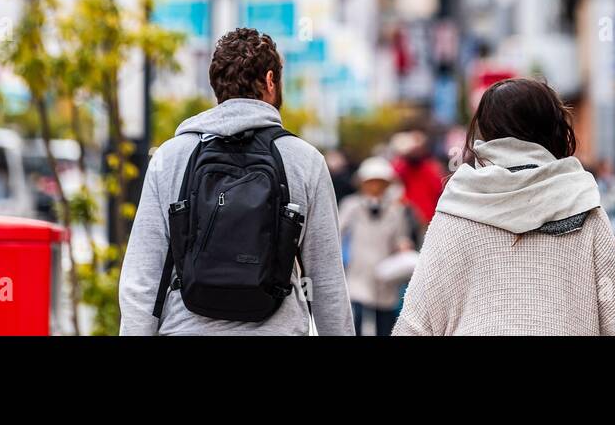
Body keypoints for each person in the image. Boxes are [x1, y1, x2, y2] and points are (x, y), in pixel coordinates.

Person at [119, 28, 354, 335]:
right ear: (271, 80)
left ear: (216, 85)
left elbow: (143, 278)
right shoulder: (304, 160)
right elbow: (326, 284)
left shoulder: (172, 156)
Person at [393, 77, 615, 336]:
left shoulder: (457, 210)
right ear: (553, 127)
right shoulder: (581, 203)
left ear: (486, 131)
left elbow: (416, 323)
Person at [338, 156, 417, 336]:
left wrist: (404, 245)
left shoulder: (396, 210)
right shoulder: (351, 206)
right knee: (355, 320)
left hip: (385, 274)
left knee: (385, 324)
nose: (375, 187)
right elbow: (337, 231)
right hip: (359, 272)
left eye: (379, 183)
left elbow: (401, 236)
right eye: (370, 182)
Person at [390, 129, 445, 226]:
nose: (415, 152)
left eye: (418, 148)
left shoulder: (432, 168)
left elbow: (439, 190)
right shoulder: (400, 167)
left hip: (430, 219)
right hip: (406, 220)